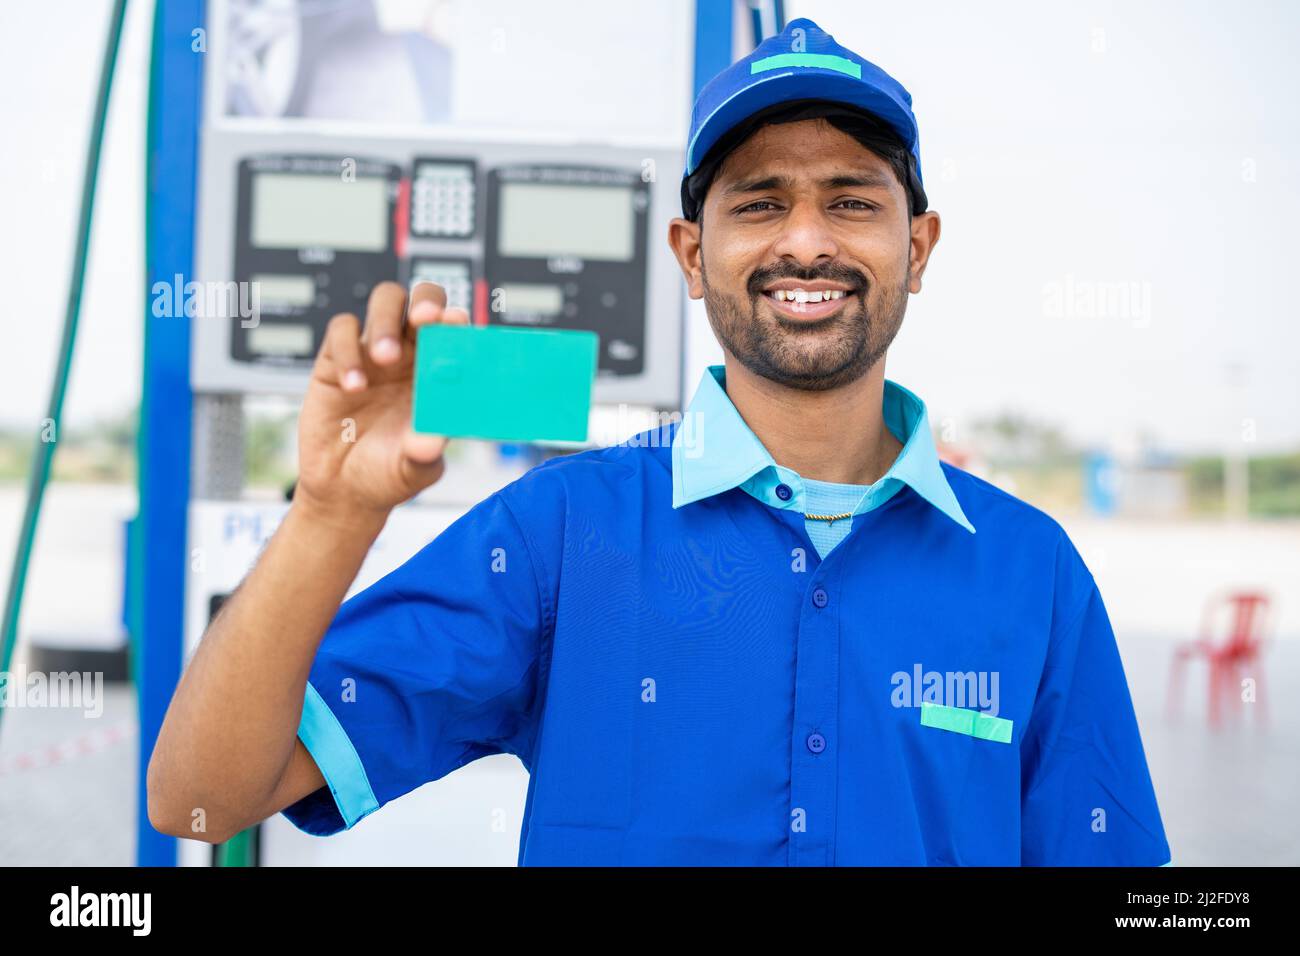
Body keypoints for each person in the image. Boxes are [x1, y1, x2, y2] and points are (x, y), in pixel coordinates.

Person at [148, 17, 1172, 866]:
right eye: (759, 202)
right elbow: (198, 799)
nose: (805, 240)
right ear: (691, 253)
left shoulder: (1030, 572)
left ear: (917, 245)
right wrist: (333, 510)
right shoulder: (557, 537)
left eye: (851, 201)